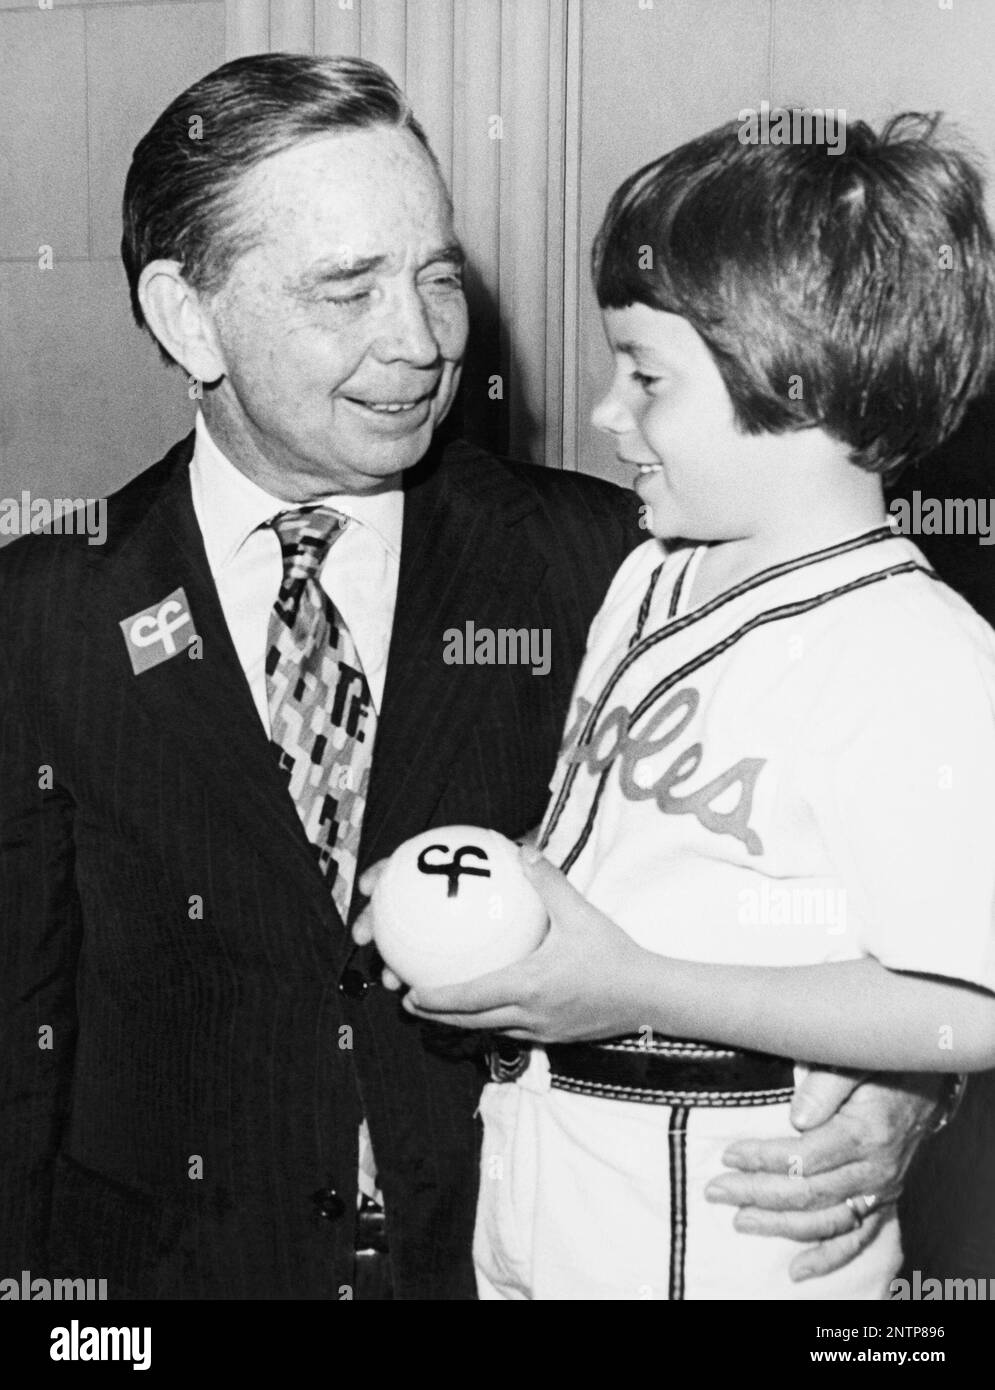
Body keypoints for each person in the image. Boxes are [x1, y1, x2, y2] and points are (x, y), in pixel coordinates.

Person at [0, 54, 951, 1301]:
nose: (420, 340)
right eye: (348, 287)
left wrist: (904, 1085)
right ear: (190, 316)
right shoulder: (43, 614)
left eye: (435, 275)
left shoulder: (624, 564)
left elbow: (856, 882)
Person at [394, 113, 995, 1299]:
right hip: (559, 1184)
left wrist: (642, 988)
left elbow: (972, 1004)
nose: (609, 413)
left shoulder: (909, 657)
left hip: (732, 1230)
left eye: (645, 377)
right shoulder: (654, 569)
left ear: (796, 381)